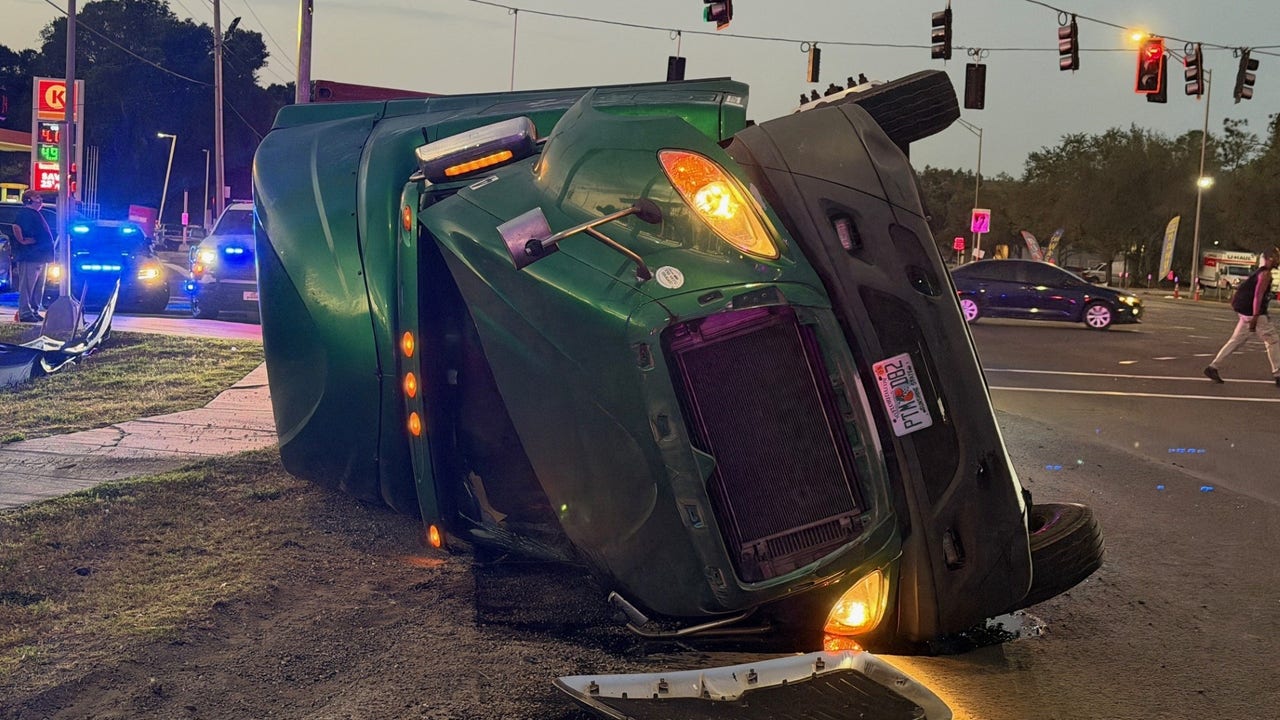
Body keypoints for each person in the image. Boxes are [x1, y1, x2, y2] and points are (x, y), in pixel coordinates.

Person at [1204, 246, 1280, 387]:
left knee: (1236, 341)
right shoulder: (1265, 275)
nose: (1278, 259)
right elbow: (1258, 295)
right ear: (1270, 258)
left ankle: (1213, 367)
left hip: (1245, 313)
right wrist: (1256, 316)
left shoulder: (1258, 272)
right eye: (1276, 256)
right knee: (1273, 341)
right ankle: (1278, 374)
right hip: (1254, 314)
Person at [12, 190, 56, 323]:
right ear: (28, 200)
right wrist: (22, 241)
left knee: (38, 286)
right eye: (36, 197)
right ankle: (25, 312)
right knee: (27, 286)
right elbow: (16, 227)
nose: (40, 199)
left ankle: (34, 310)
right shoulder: (25, 213)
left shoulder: (36, 214)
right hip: (30, 256)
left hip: (41, 256)